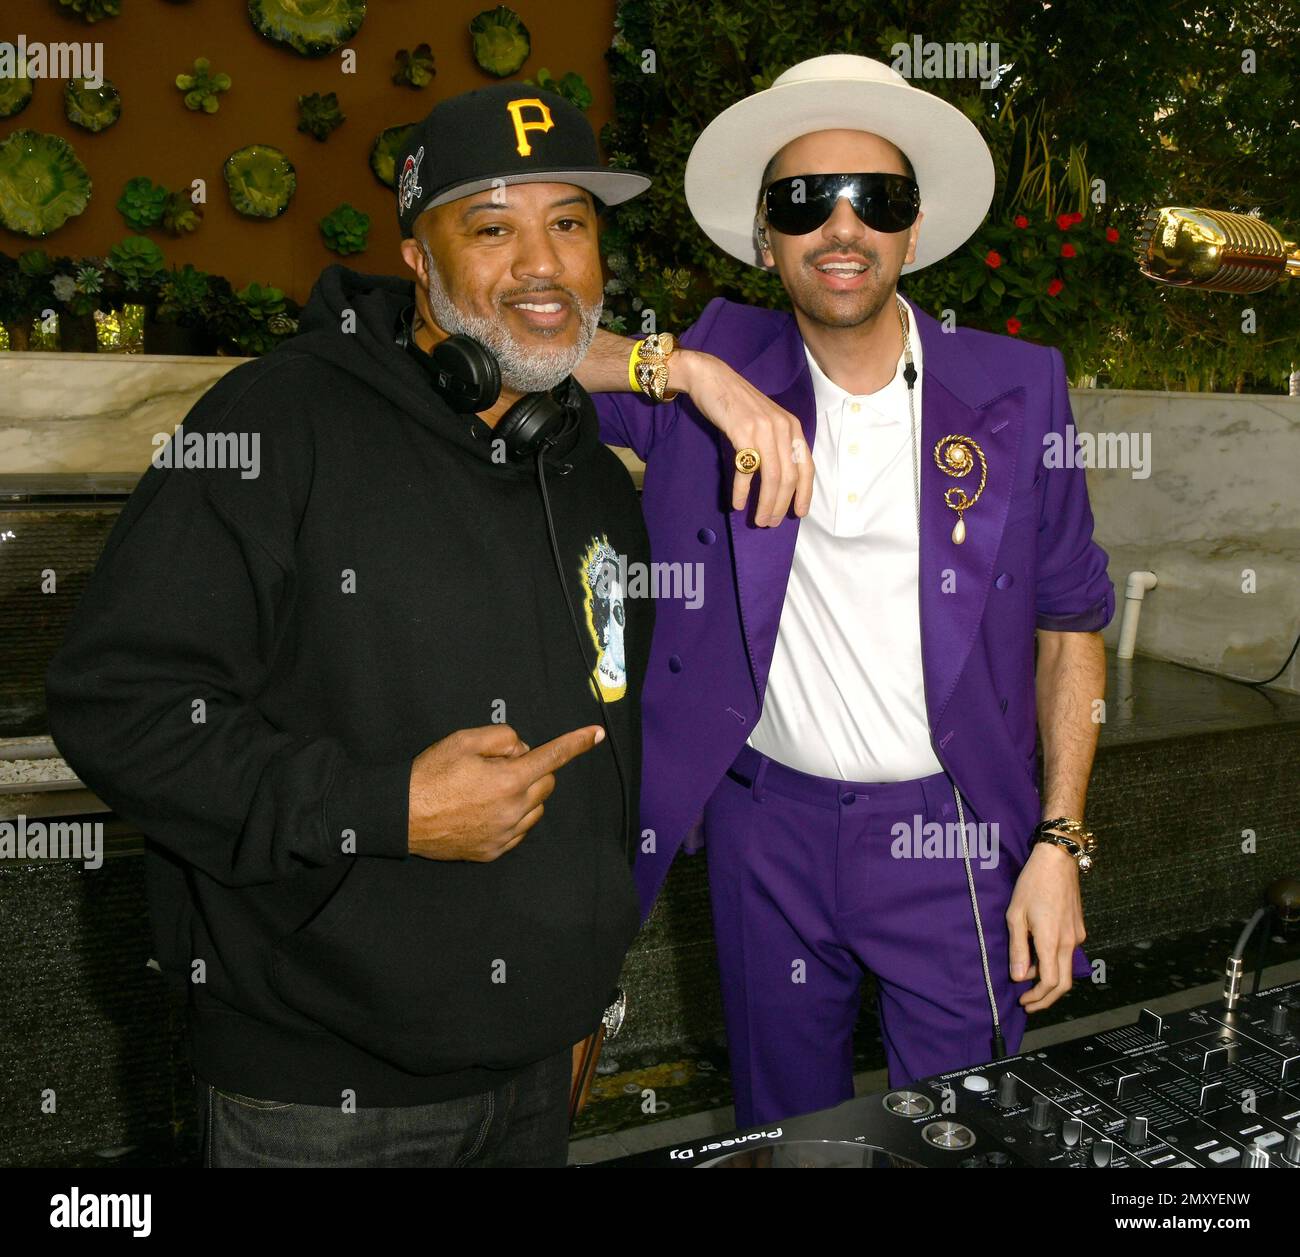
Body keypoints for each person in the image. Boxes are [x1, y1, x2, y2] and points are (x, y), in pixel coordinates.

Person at [45, 84, 654, 1167]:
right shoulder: (273, 423)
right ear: (416, 258)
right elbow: (117, 709)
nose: (543, 265)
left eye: (569, 223)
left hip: (538, 1065)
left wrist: (577, 998)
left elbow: (602, 758)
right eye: (491, 227)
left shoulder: (590, 471)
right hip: (320, 1102)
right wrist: (383, 808)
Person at [577, 54, 1115, 1127]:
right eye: (802, 201)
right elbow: (508, 350)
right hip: (761, 829)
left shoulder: (1018, 384)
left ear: (913, 232)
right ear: (764, 238)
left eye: (878, 199)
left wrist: (1058, 845)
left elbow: (1070, 627)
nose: (842, 226)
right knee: (787, 1128)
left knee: (957, 1129)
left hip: (950, 833)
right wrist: (677, 371)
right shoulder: (710, 365)